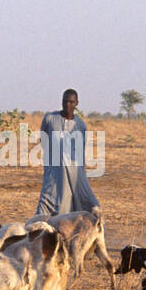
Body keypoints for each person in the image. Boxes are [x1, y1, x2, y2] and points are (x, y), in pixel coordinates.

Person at [35, 88, 100, 216]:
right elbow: (44, 140)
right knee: (47, 199)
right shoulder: (50, 119)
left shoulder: (80, 125)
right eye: (65, 101)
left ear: (76, 103)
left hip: (74, 170)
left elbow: (80, 151)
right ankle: (40, 231)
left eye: (71, 102)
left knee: (82, 201)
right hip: (54, 169)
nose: (67, 105)